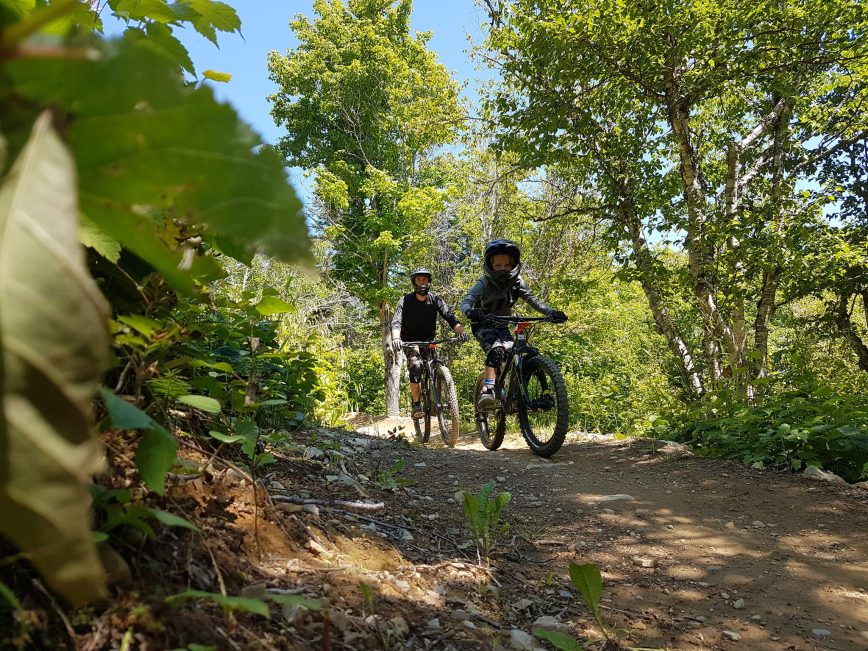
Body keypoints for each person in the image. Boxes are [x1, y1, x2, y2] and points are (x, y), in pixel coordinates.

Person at [460, 239, 568, 408]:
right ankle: (488, 388)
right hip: (483, 324)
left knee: (518, 353)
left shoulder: (517, 282)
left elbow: (534, 300)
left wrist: (551, 312)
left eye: (506, 265)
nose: (503, 269)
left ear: (513, 265)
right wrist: (470, 311)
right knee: (496, 350)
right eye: (498, 265)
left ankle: (517, 395)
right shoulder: (484, 283)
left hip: (503, 325)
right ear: (490, 266)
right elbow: (467, 301)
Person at [390, 268, 469, 419]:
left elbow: (450, 317)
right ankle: (416, 404)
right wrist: (396, 339)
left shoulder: (435, 300)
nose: (422, 282)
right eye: (419, 279)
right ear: (414, 282)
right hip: (409, 340)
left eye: (425, 279)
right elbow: (396, 323)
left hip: (428, 340)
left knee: (433, 365)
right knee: (416, 366)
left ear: (429, 281)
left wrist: (461, 333)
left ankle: (436, 389)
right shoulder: (405, 301)